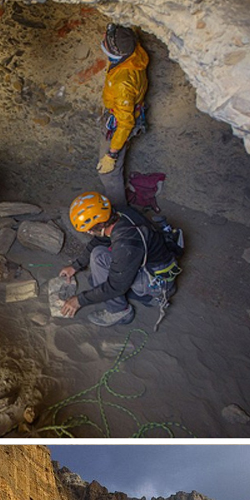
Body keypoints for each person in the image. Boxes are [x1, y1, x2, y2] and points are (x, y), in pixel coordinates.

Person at [56, 192, 181, 326]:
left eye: (89, 230)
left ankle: (120, 311)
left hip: (157, 281)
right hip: (149, 259)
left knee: (105, 274)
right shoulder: (117, 213)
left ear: (100, 225)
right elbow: (99, 240)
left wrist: (78, 300)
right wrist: (75, 266)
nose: (89, 233)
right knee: (98, 256)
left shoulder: (126, 243)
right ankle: (109, 288)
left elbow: (115, 287)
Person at [98, 23, 148, 209]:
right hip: (121, 111)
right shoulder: (134, 54)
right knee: (111, 171)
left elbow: (126, 123)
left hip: (119, 123)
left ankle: (118, 212)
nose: (102, 38)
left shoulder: (124, 83)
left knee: (109, 172)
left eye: (106, 40)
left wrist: (112, 154)